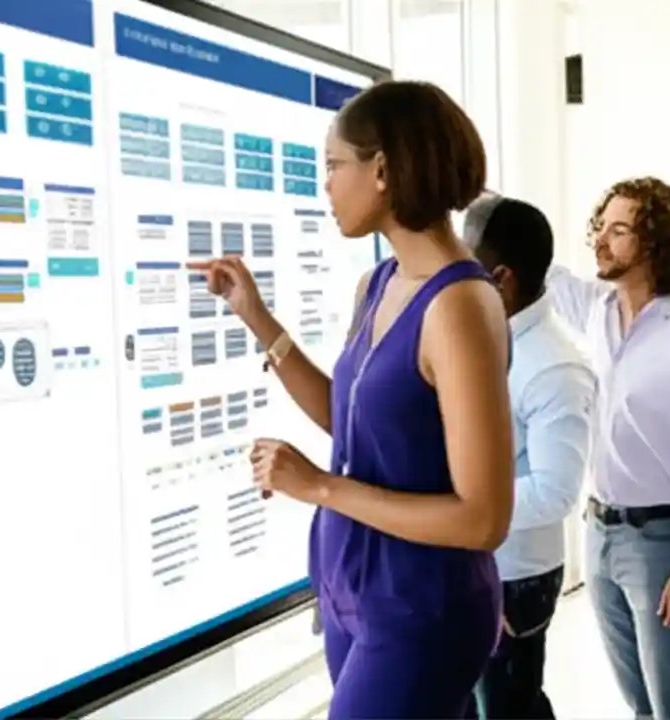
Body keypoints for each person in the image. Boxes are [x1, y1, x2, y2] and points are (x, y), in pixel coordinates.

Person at [189, 80, 513, 719]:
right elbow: (354, 417)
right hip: (353, 584)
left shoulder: (461, 306)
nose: (327, 185)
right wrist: (256, 316)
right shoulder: (379, 281)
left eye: (334, 165)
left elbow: (483, 519)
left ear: (384, 169)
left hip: (423, 603)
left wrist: (318, 486)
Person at [546, 177, 670, 719]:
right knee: (640, 704)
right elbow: (536, 262)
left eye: (619, 231)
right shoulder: (595, 310)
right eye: (600, 228)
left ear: (655, 244)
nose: (601, 241)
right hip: (600, 533)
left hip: (664, 542)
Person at [461, 194, 596, 718]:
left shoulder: (553, 366)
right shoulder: (486, 335)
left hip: (515, 576)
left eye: (464, 263)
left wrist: (460, 505)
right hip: (477, 561)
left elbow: (556, 490)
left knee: (508, 707)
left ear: (502, 279)